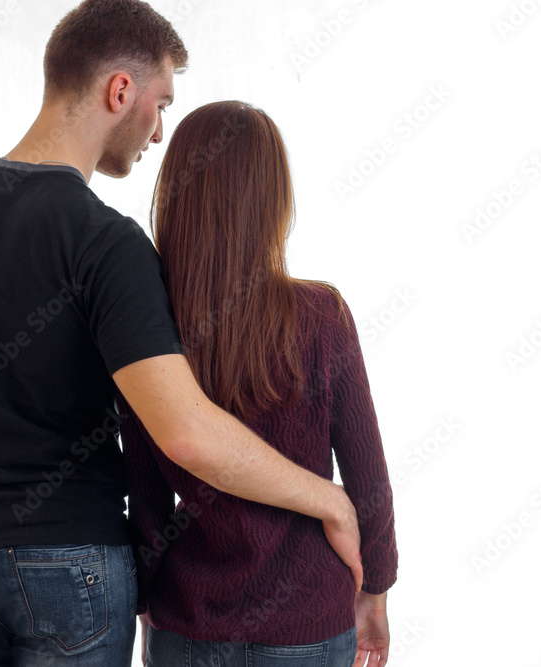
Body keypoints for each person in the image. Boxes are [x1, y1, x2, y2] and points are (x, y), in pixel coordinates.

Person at [0, 2, 364, 665]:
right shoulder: (107, 243)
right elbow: (184, 432)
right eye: (160, 104)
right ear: (120, 91)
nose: (159, 132)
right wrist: (329, 500)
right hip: (71, 567)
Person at [117, 100, 398, 667]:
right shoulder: (322, 316)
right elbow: (368, 476)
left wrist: (147, 600)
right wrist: (375, 591)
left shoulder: (147, 325)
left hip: (189, 622)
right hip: (308, 620)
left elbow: (145, 492)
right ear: (274, 200)